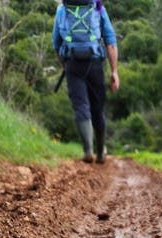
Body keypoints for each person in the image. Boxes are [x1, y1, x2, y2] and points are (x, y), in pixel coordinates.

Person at [52, 1, 119, 164]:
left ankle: (88, 150)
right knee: (97, 108)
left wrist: (65, 64)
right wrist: (114, 71)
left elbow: (56, 42)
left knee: (81, 106)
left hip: (73, 63)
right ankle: (101, 152)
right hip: (95, 63)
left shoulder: (62, 9)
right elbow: (110, 42)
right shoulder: (97, 7)